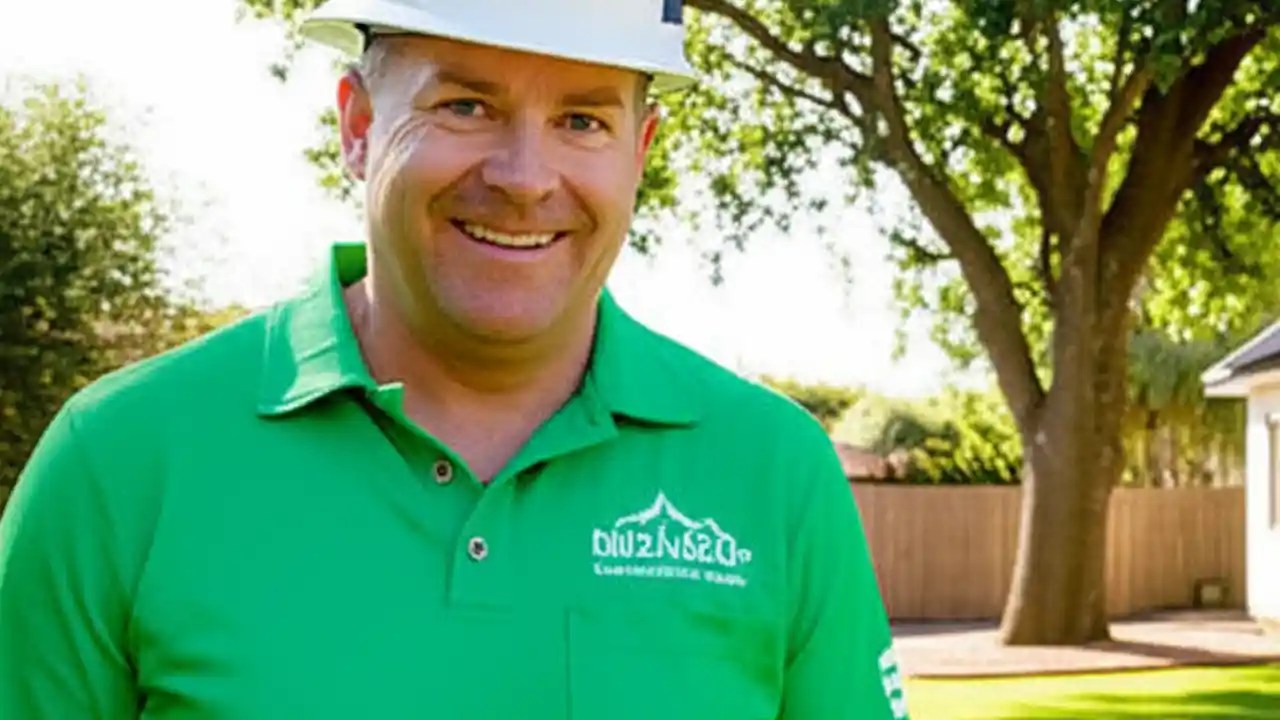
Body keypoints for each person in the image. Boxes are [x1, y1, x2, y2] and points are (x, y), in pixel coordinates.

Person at [0, 1, 909, 718]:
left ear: (642, 151)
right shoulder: (119, 463)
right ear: (356, 126)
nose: (523, 175)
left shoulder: (773, 473)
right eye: (465, 104)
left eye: (583, 120)